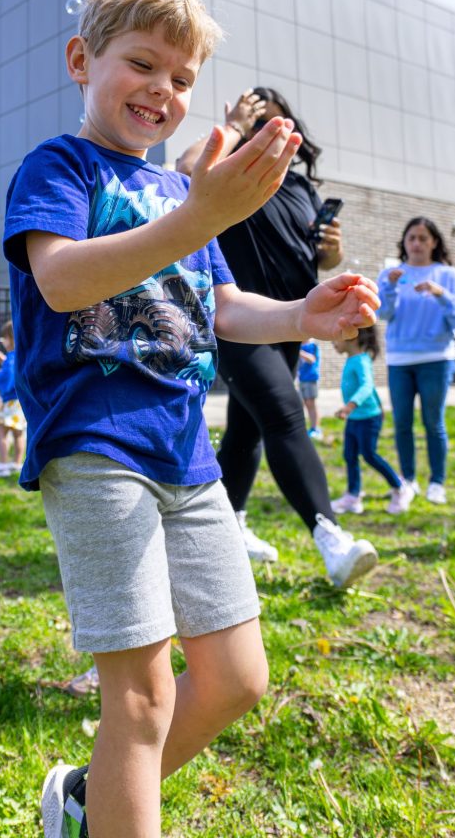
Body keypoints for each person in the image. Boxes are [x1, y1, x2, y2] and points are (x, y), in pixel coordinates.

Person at [6, 0, 380, 838]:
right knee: (140, 699)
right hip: (96, 449)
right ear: (80, 60)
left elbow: (221, 307)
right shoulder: (61, 167)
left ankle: (88, 801)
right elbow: (62, 280)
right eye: (141, 63)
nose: (162, 89)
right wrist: (196, 218)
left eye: (181, 78)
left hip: (188, 456)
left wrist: (302, 315)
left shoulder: (181, 192)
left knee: (238, 680)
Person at [172, 87, 377, 584]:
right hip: (238, 318)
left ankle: (229, 528)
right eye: (260, 120)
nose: (271, 129)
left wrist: (331, 251)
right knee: (285, 413)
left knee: (247, 429)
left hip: (288, 321)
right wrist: (235, 127)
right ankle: (331, 538)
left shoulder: (301, 186)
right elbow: (186, 167)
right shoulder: (233, 169)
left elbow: (318, 257)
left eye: (279, 120)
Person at [376, 218, 455, 513]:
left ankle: (437, 482)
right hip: (399, 360)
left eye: (423, 238)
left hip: (437, 358)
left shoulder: (448, 275)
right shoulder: (391, 274)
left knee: (434, 422)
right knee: (402, 423)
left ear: (434, 242)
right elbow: (382, 314)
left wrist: (442, 294)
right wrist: (390, 288)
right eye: (411, 238)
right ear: (404, 242)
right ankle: (408, 480)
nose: (416, 243)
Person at [329, 326, 409, 514]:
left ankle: (400, 487)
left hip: (368, 419)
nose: (332, 342)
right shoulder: (353, 359)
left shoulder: (361, 361)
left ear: (352, 337)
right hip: (355, 418)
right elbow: (369, 389)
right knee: (350, 455)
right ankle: (353, 496)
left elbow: (367, 386)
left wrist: (349, 406)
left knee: (369, 455)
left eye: (336, 338)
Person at [0, 321, 26, 478]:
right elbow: (15, 370)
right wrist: (2, 360)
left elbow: (7, 377)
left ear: (11, 338)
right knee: (18, 433)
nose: (3, 341)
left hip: (10, 402)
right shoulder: (21, 355)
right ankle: (17, 464)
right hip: (21, 402)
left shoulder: (11, 357)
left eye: (5, 338)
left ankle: (2, 465)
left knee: (1, 431)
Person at [297, 339, 322, 440]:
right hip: (301, 379)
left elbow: (312, 359)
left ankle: (315, 429)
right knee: (302, 404)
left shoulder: (312, 345)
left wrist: (300, 352)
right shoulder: (300, 345)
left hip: (311, 378)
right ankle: (306, 429)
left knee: (311, 404)